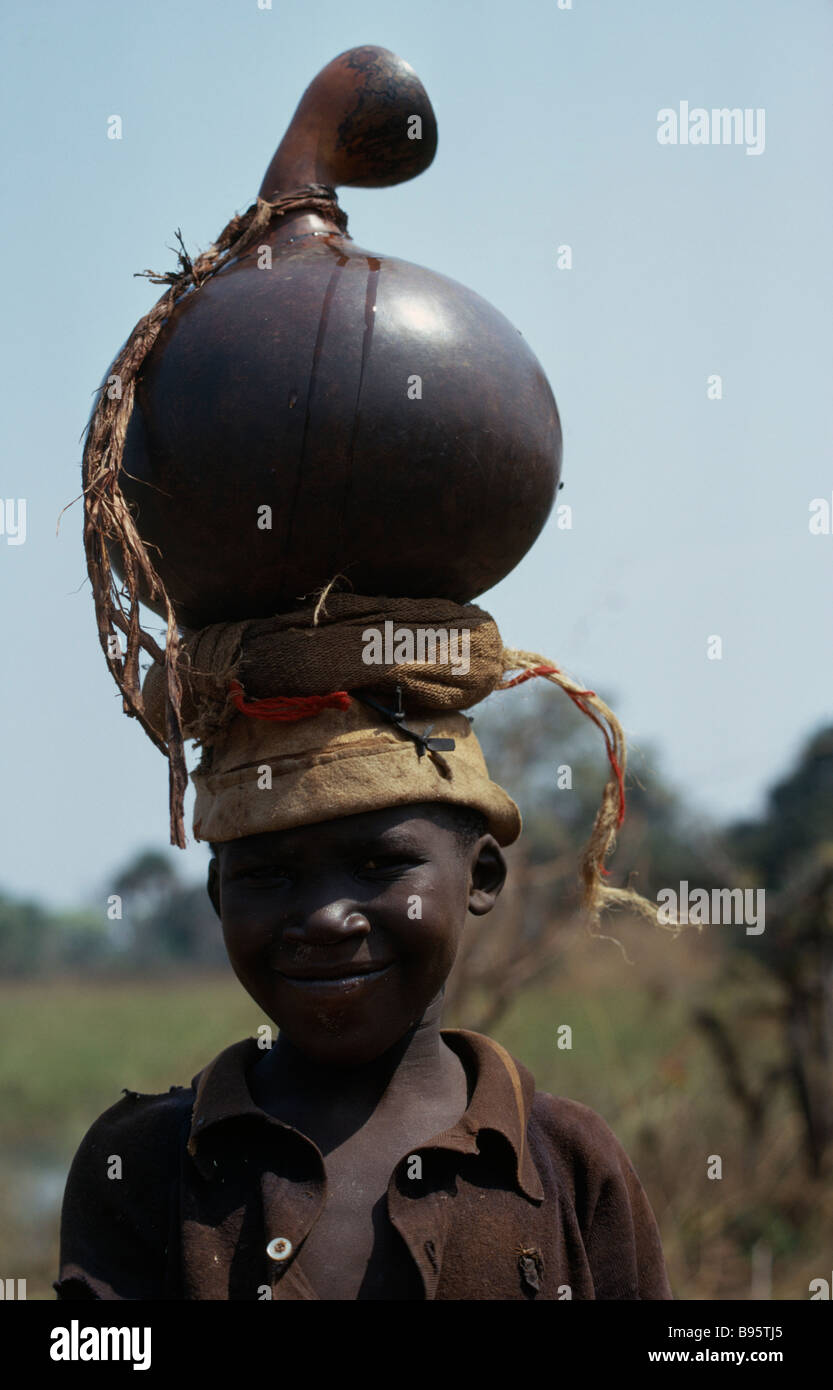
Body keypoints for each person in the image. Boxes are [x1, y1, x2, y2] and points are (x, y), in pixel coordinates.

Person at [54, 691, 673, 1300]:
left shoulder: (569, 1164)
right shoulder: (144, 1163)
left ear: (479, 877)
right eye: (269, 874)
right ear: (220, 895)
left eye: (379, 866)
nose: (326, 919)